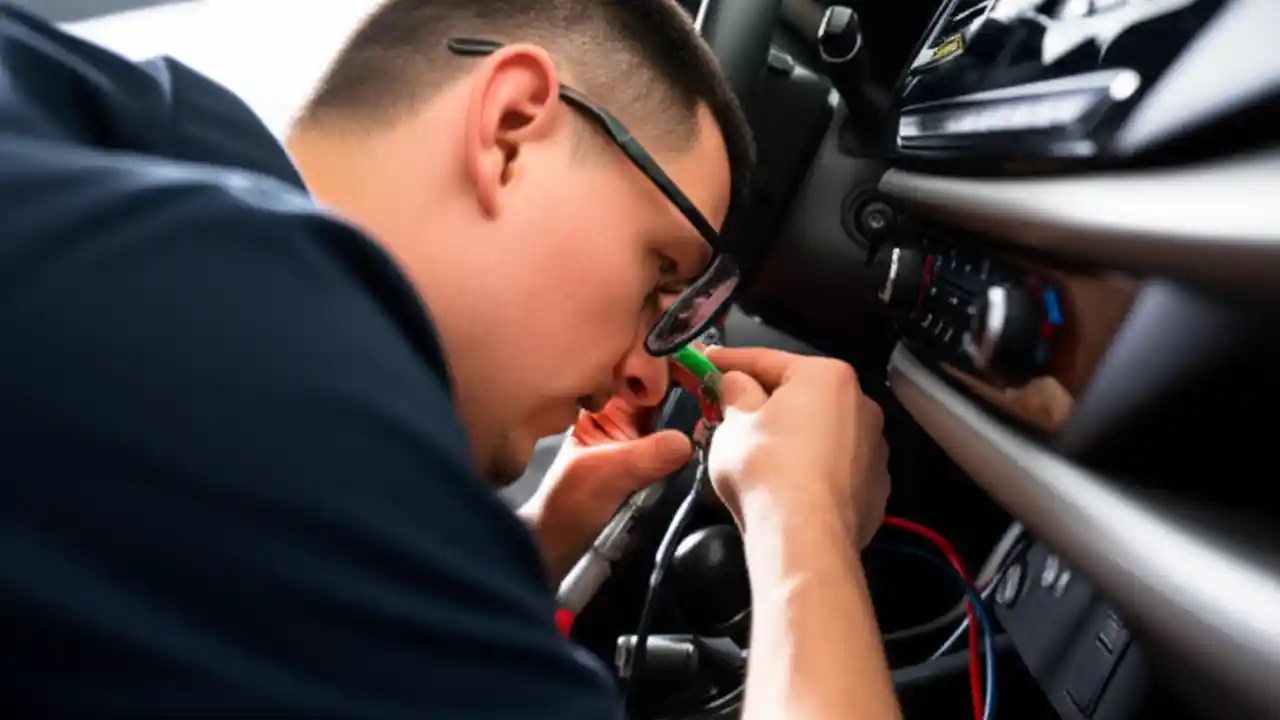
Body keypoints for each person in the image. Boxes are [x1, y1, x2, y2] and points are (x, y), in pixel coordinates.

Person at [0, 1, 897, 717]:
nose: (651, 375)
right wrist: (800, 516)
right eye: (658, 272)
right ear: (511, 129)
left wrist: (508, 554)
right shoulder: (294, 381)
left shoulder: (126, 133)